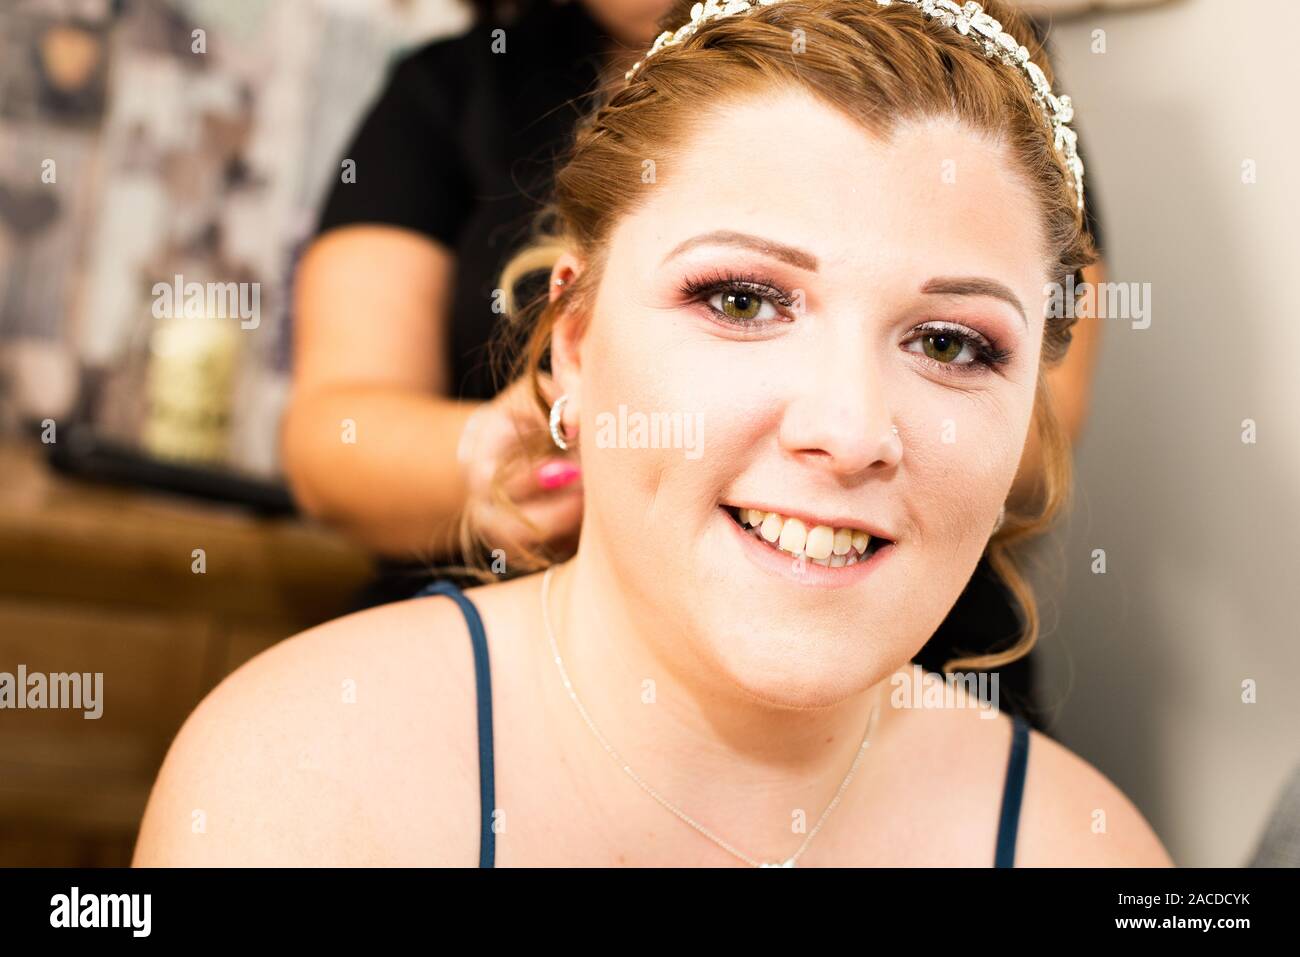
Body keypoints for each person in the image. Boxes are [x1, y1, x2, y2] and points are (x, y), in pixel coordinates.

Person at [138, 0, 1168, 867]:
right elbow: (339, 433)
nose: (849, 429)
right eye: (741, 300)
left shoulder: (1085, 850)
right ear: (573, 343)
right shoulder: (306, 785)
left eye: (950, 343)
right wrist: (576, 457)